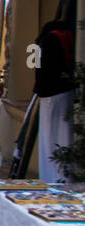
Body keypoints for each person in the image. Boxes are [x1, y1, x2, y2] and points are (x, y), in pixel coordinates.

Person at [34, 18, 75, 183]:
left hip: (49, 92)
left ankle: (50, 177)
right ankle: (64, 176)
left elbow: (39, 67)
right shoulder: (68, 37)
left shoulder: (46, 40)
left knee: (49, 136)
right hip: (66, 91)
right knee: (64, 133)